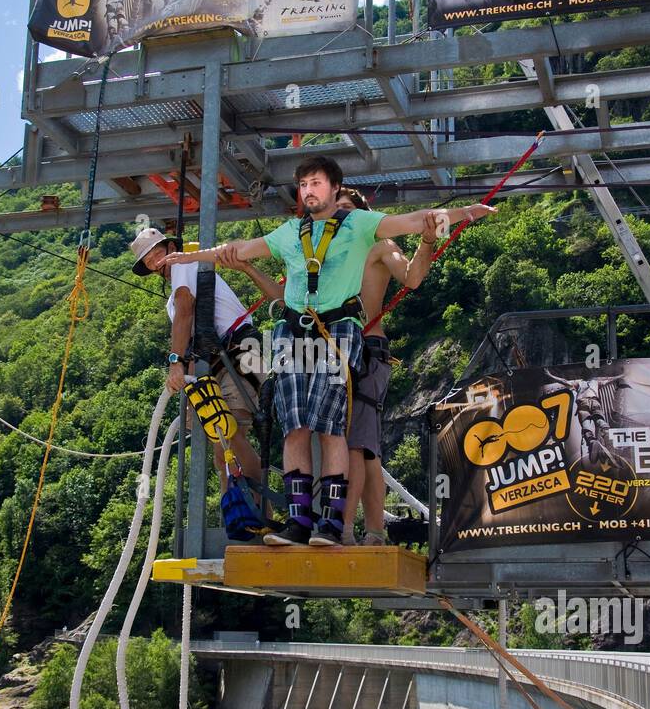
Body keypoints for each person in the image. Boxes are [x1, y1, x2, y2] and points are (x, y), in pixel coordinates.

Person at [163, 154, 494, 546]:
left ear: (335, 188)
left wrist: (464, 213)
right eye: (303, 185)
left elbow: (415, 224)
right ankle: (300, 523)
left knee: (334, 429)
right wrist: (191, 257)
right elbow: (241, 249)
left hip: (339, 331)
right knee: (295, 427)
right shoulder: (292, 233)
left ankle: (337, 526)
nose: (308, 191)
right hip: (292, 330)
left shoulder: (363, 227)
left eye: (316, 183)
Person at [129, 224, 265, 499]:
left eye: (156, 253)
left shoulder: (184, 264)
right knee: (223, 447)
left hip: (237, 351)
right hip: (221, 358)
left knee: (231, 435)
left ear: (170, 248)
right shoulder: (180, 284)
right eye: (149, 261)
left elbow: (185, 310)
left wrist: (175, 362)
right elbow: (190, 327)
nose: (156, 262)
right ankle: (245, 522)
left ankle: (254, 519)